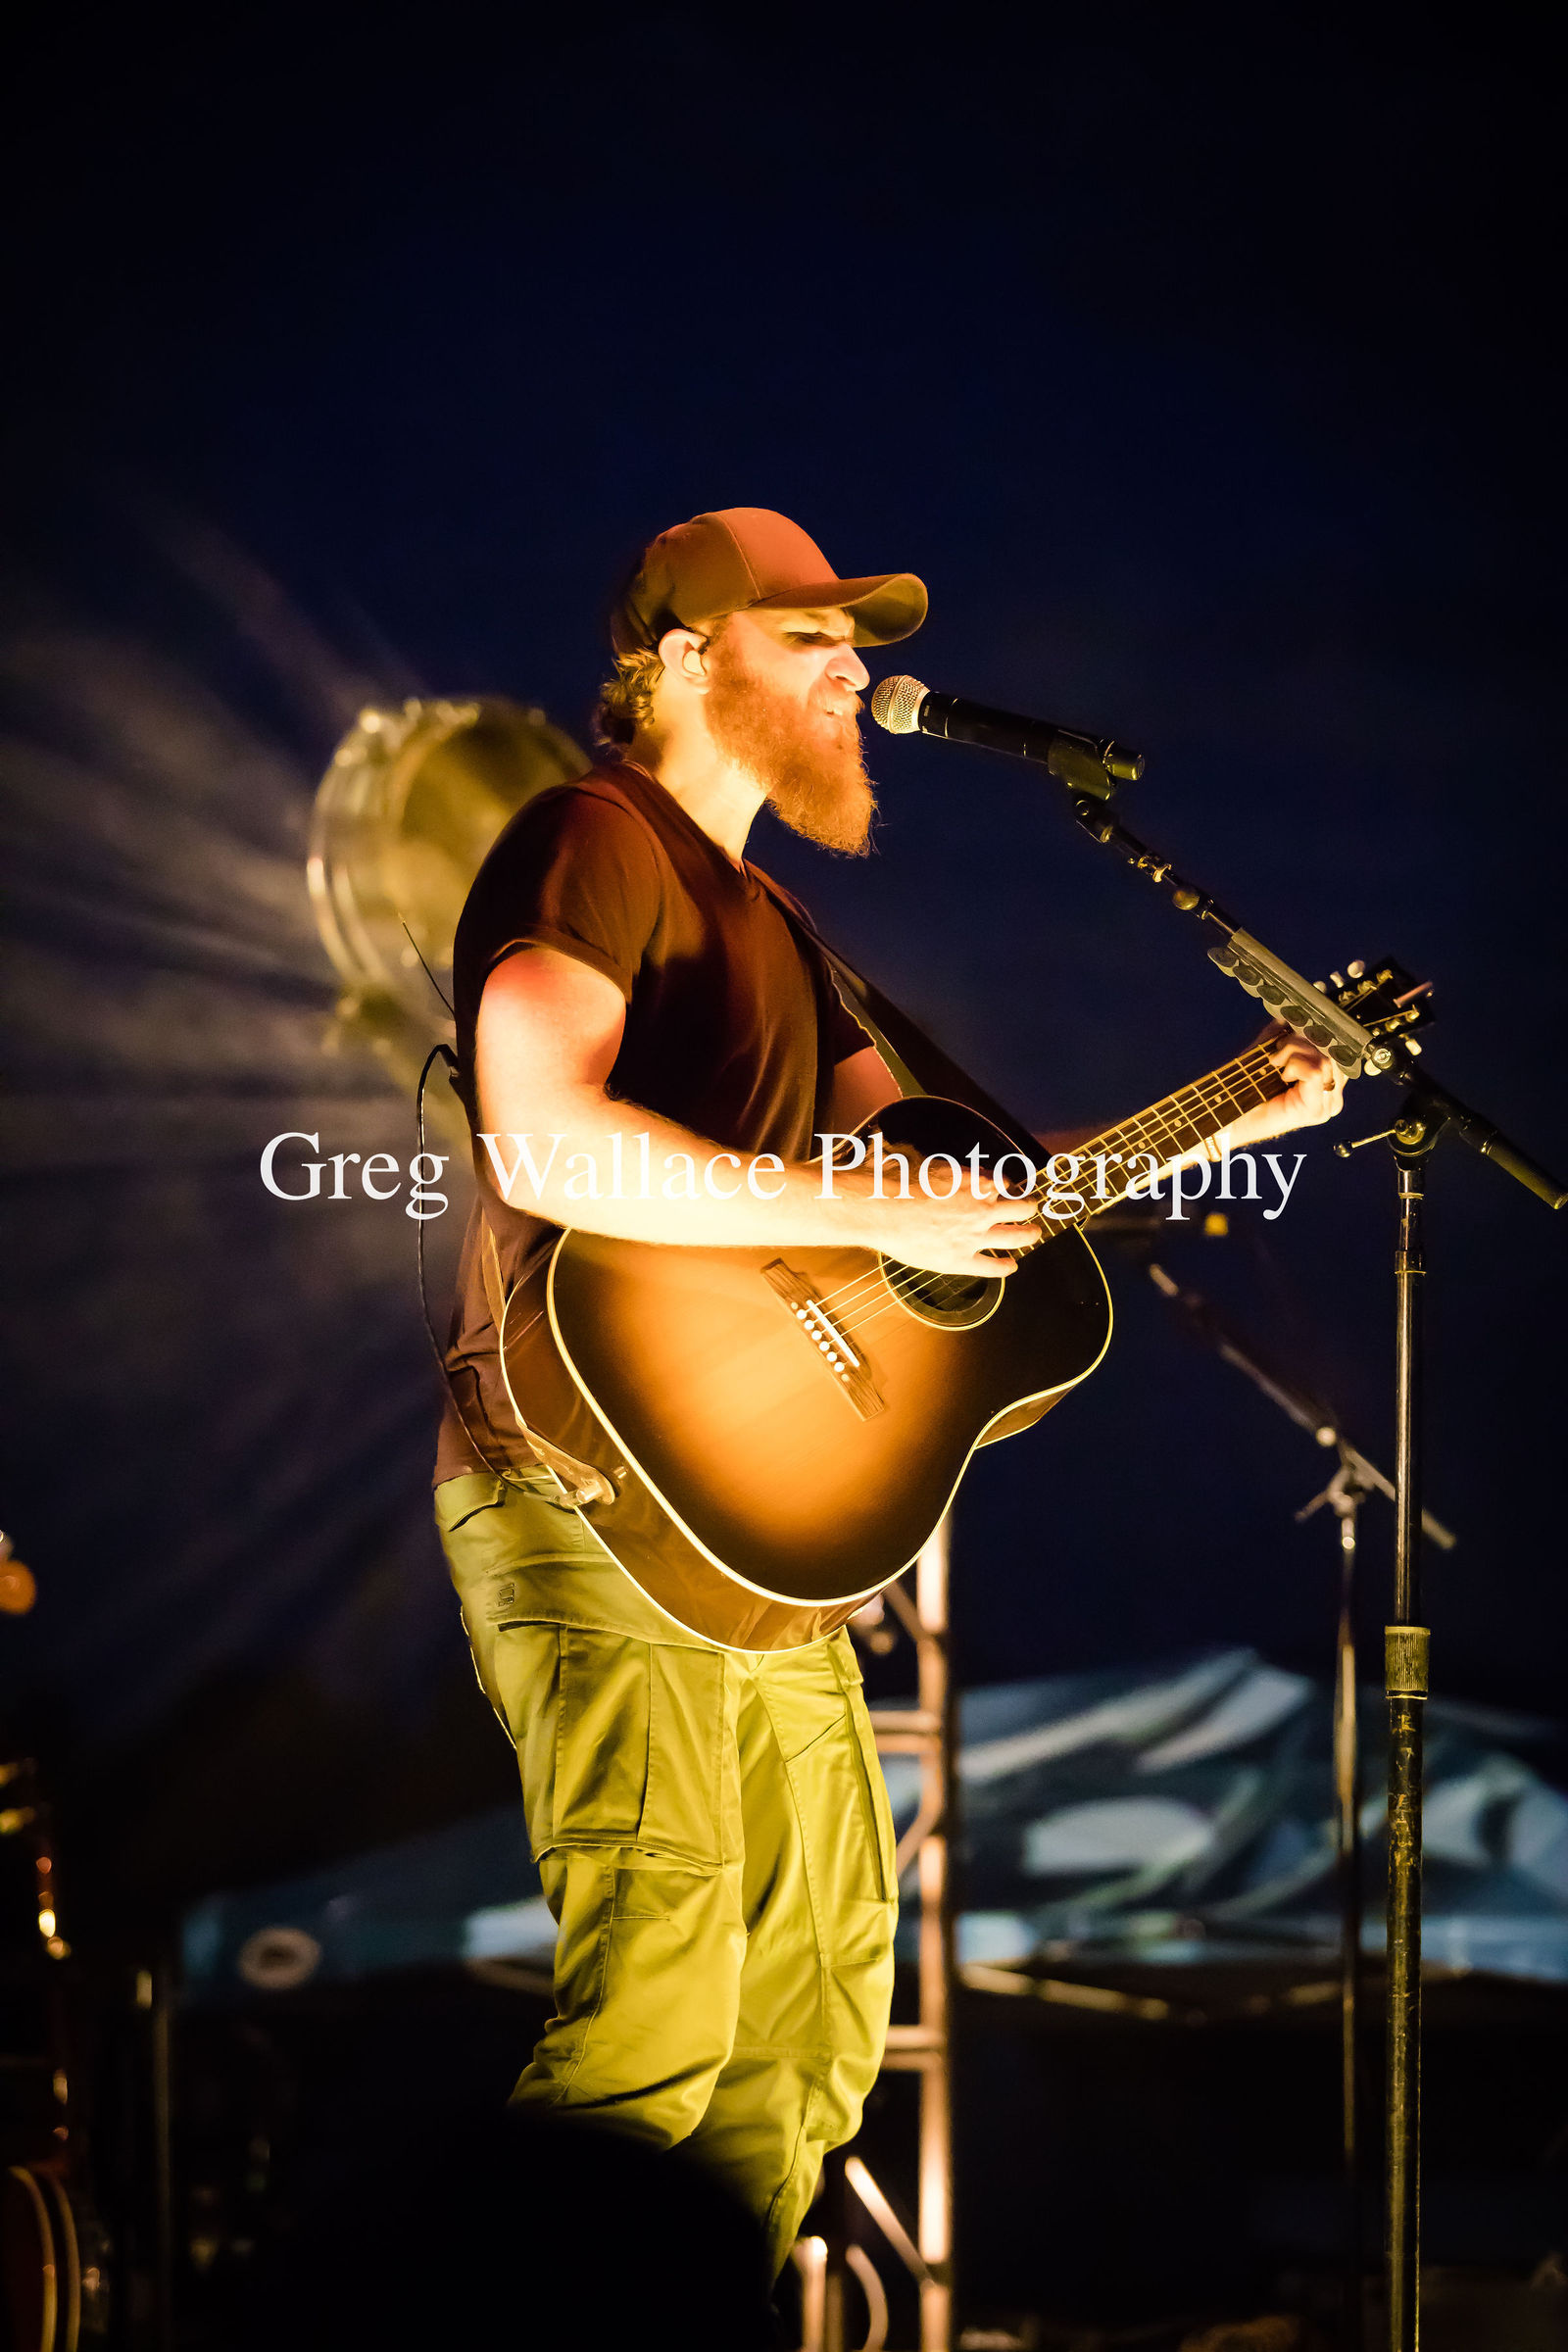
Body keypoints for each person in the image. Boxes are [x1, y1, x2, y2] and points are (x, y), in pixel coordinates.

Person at [432, 507, 1344, 2277]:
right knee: (657, 2007)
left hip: (764, 1542)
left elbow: (970, 1190)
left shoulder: (785, 927)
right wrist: (870, 1197)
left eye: (859, 639)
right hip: (583, 1483)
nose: (858, 667)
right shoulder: (588, 840)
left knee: (819, 2018)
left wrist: (1232, 1110)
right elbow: (542, 1134)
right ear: (683, 659)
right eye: (810, 637)